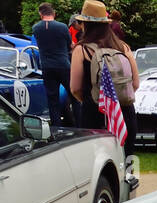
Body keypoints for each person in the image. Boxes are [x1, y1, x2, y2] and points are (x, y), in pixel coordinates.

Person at [71, 1, 138, 155]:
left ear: (85, 24)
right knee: (126, 164)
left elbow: (75, 88)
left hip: (93, 114)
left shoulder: (81, 50)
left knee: (98, 166)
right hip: (124, 114)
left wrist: (91, 99)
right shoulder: (123, 47)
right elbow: (135, 83)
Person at [32, 3, 74, 127]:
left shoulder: (36, 28)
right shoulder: (62, 27)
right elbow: (69, 45)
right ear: (53, 13)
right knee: (74, 96)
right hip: (63, 64)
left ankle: (56, 127)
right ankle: (79, 123)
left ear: (41, 14)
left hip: (47, 66)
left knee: (52, 99)